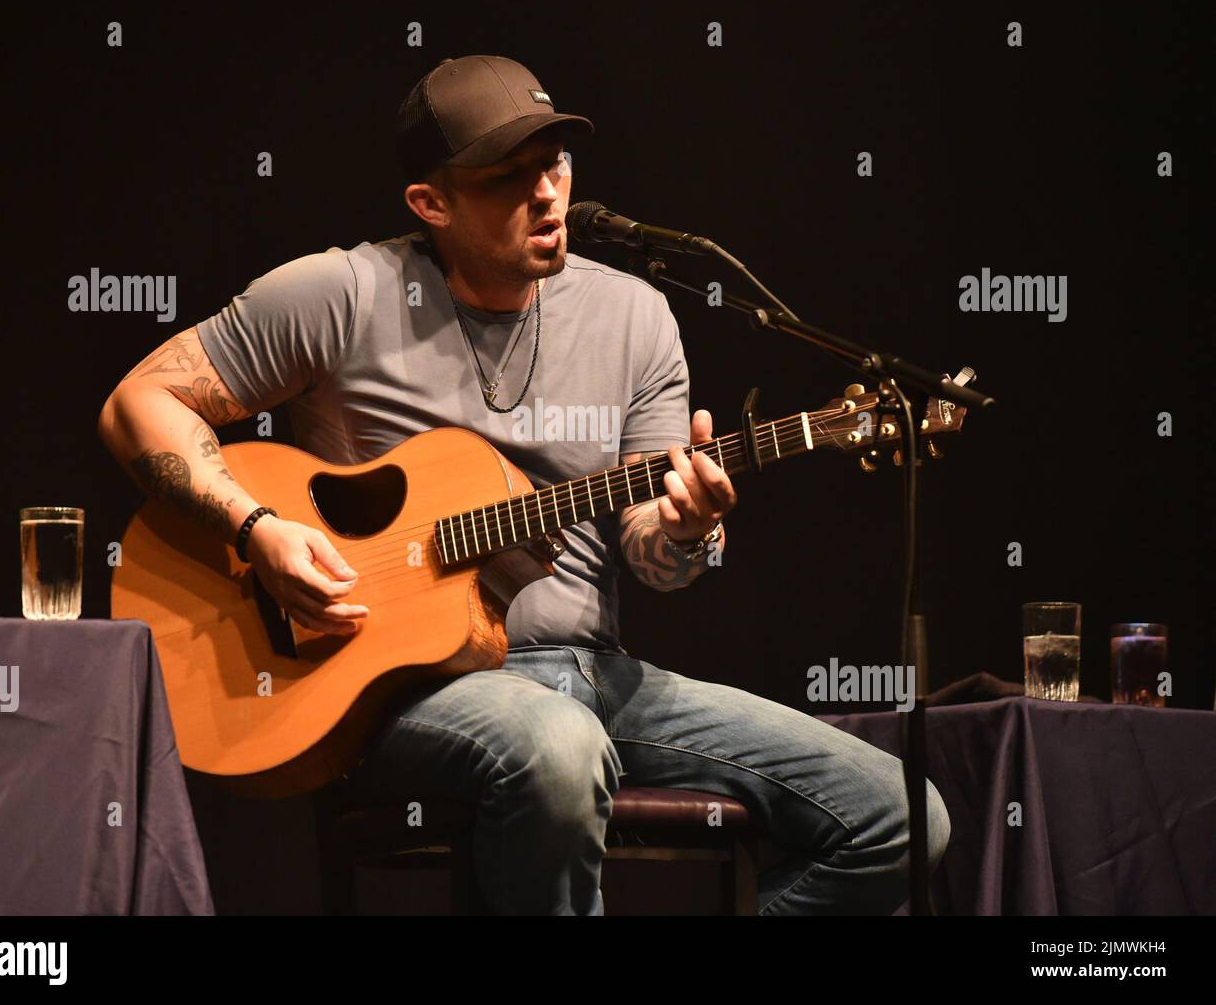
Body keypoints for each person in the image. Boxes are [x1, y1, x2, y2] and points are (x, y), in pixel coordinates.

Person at [98, 54, 950, 915]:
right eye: (510, 176)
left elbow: (654, 558)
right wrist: (256, 529)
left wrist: (687, 533)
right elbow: (142, 401)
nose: (548, 193)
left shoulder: (633, 315)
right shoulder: (343, 293)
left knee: (902, 816)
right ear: (431, 205)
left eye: (557, 163)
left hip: (598, 675)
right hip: (401, 692)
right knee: (556, 745)